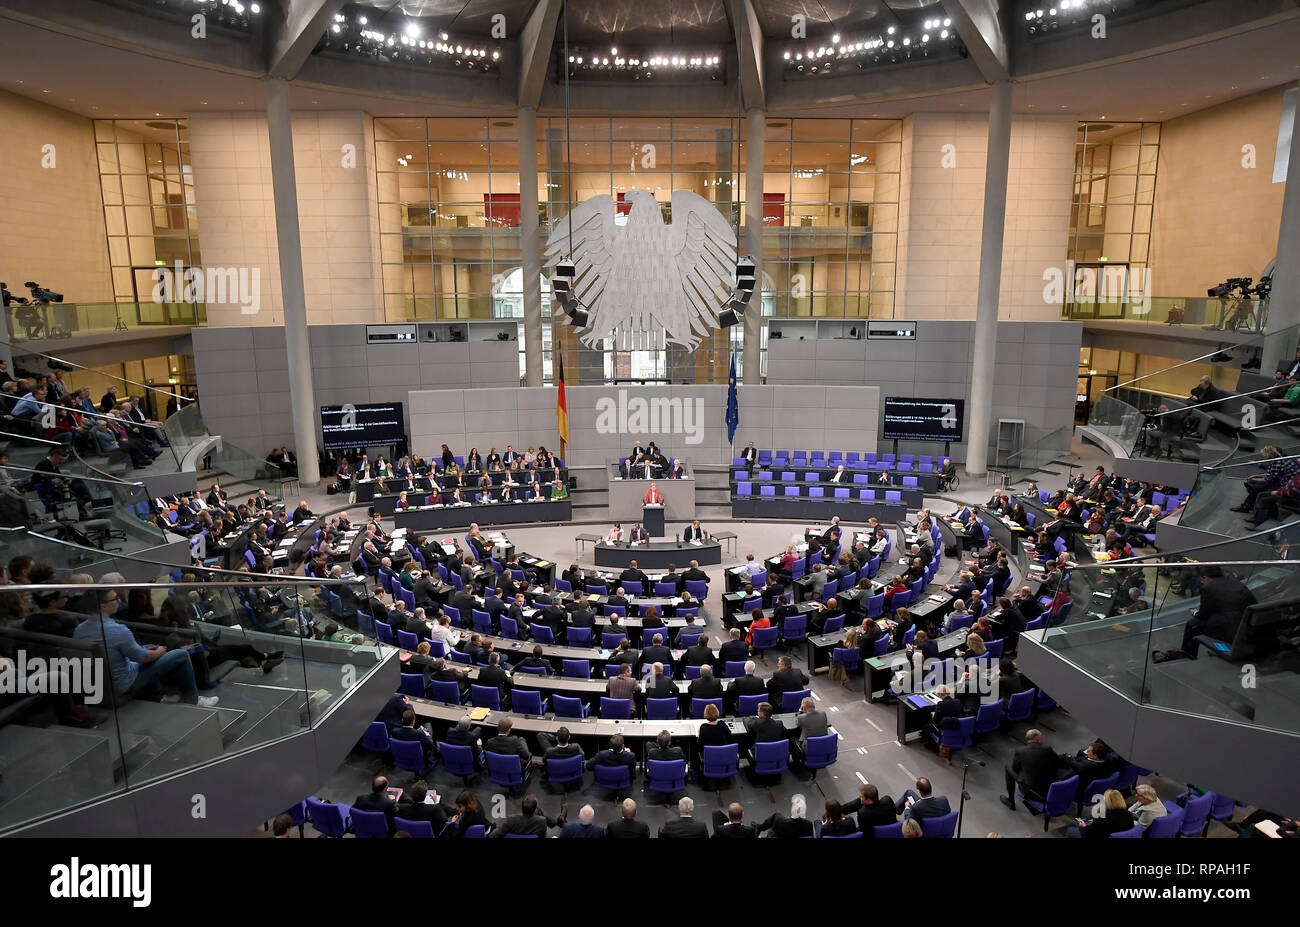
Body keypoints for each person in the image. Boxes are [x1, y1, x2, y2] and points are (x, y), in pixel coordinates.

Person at [75, 592, 219, 708]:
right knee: (181, 654)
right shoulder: (118, 631)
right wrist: (161, 651)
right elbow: (143, 658)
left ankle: (157, 696)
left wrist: (149, 650)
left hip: (103, 683)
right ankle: (193, 700)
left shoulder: (79, 630)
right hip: (124, 683)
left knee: (149, 647)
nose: (119, 601)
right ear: (103, 607)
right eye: (115, 598)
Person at [1173, 565, 1257, 659]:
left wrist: (1196, 613)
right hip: (1247, 627)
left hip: (1228, 630)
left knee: (1193, 624)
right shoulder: (1236, 583)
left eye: (1202, 580)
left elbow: (1203, 615)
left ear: (1205, 578)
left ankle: (1187, 654)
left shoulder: (1208, 588)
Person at [1002, 729, 1068, 811]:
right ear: (1038, 739)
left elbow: (1015, 769)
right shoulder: (1047, 749)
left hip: (1031, 792)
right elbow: (1059, 763)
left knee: (1008, 767)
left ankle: (1011, 801)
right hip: (1050, 790)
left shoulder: (1020, 751)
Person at [1069, 789, 1136, 838]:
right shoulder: (1129, 814)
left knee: (1070, 831)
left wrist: (1084, 826)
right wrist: (1096, 821)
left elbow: (1090, 833)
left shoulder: (1105, 816)